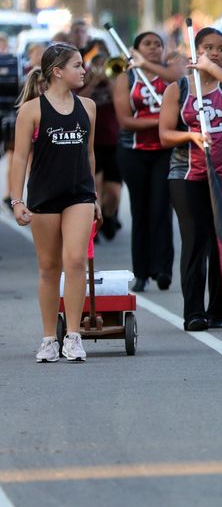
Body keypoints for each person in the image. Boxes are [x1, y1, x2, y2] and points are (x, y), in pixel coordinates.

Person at [6, 43, 100, 362]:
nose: (83, 70)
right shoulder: (31, 110)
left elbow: (89, 154)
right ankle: (49, 338)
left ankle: (73, 335)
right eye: (77, 65)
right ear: (57, 72)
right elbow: (20, 159)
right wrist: (17, 200)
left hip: (79, 195)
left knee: (75, 261)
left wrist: (94, 196)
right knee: (49, 267)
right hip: (44, 196)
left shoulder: (88, 107)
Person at [158, 27, 222, 332]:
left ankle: (219, 309)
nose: (215, 53)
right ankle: (193, 312)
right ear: (195, 50)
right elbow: (164, 135)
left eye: (220, 49)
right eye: (208, 48)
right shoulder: (178, 89)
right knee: (195, 241)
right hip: (188, 175)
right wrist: (190, 136)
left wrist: (212, 69)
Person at [114, 31, 184, 292]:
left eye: (157, 44)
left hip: (165, 152)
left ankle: (163, 269)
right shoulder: (127, 77)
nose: (153, 48)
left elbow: (179, 77)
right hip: (133, 152)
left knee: (162, 208)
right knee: (140, 210)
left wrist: (148, 65)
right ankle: (141, 272)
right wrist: (162, 122)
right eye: (147, 44)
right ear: (136, 49)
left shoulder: (170, 73)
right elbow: (125, 120)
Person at [78, 42, 123, 240]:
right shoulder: (85, 81)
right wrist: (94, 81)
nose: (102, 69)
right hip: (93, 143)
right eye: (98, 65)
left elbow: (120, 101)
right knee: (95, 186)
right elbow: (79, 101)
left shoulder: (115, 82)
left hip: (113, 142)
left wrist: (109, 80)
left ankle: (109, 216)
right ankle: (93, 224)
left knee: (113, 192)